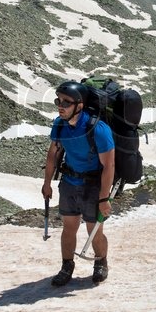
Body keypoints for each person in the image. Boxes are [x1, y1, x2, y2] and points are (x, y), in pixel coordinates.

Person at [42, 81, 115, 285]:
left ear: (80, 105)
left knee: (94, 230)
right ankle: (67, 266)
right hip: (69, 182)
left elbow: (109, 166)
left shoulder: (98, 128)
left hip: (93, 185)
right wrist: (47, 183)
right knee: (69, 227)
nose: (60, 105)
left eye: (66, 102)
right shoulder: (59, 124)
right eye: (58, 100)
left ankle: (101, 262)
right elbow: (52, 155)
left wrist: (104, 197)